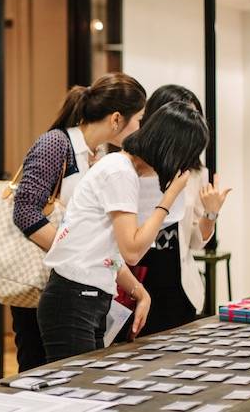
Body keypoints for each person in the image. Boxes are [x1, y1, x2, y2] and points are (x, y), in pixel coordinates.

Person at [37, 101, 209, 361]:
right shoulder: (120, 171)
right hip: (73, 299)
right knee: (79, 385)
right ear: (172, 152)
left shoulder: (123, 169)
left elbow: (109, 254)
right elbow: (132, 251)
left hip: (86, 298)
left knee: (90, 383)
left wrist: (139, 292)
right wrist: (169, 196)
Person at [10, 73, 147, 372]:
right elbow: (25, 212)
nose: (140, 129)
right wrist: (72, 252)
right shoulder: (56, 143)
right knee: (37, 375)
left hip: (79, 287)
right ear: (116, 119)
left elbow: (98, 240)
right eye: (138, 119)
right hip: (43, 283)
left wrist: (135, 288)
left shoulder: (104, 156)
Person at [133, 85, 231, 335]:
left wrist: (211, 214)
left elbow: (196, 242)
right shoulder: (132, 166)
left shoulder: (195, 173)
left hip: (177, 280)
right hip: (134, 276)